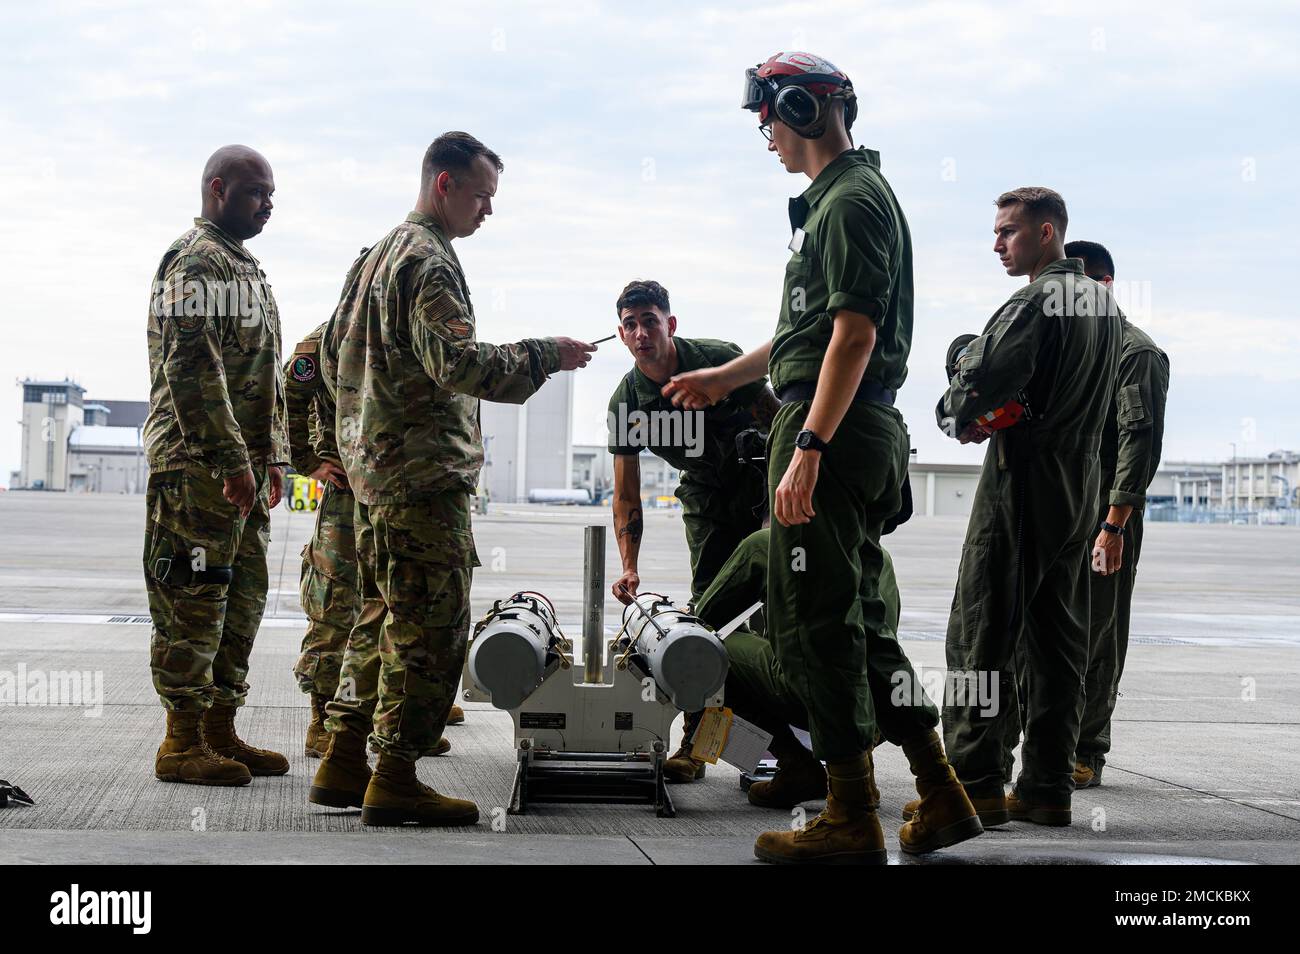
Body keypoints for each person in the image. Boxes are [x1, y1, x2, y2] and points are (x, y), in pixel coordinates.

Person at [667, 52, 973, 864]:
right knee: (864, 626)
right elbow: (817, 329)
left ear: (801, 109)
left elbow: (854, 336)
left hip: (832, 433)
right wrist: (728, 374)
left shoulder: (848, 202)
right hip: (846, 427)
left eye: (767, 117)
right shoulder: (843, 201)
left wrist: (807, 445)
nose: (764, 134)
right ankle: (940, 791)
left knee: (815, 628)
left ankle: (849, 816)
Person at [308, 132, 596, 826]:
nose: (486, 212)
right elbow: (459, 365)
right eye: (481, 196)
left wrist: (356, 442)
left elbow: (326, 358)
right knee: (430, 633)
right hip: (421, 478)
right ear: (445, 184)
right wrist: (543, 355)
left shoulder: (373, 258)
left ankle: (346, 758)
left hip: (376, 477)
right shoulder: (429, 261)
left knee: (380, 620)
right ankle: (397, 775)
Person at [936, 188, 1123, 827]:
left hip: (1023, 479)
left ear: (1047, 233)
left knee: (981, 633)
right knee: (1058, 643)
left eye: (1008, 233)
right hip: (1081, 485)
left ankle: (973, 783)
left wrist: (953, 400)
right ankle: (1046, 787)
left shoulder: (1035, 300)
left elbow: (974, 390)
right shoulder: (1105, 304)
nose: (997, 244)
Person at [997, 241, 1169, 789]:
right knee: (1042, 632)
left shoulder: (1135, 353)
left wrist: (1115, 524)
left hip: (1105, 511)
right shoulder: (1070, 344)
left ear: (1104, 286)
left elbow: (1139, 443)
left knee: (1096, 631)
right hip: (1061, 500)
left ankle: (1086, 750)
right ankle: (1040, 746)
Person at [144, 144, 290, 786]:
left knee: (241, 601)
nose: (267, 206)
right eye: (257, 193)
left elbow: (264, 376)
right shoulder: (195, 260)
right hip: (198, 470)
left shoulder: (245, 266)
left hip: (245, 476)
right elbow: (192, 367)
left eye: (272, 196)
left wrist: (274, 458)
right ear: (217, 187)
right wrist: (231, 460)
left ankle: (218, 730)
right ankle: (180, 742)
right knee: (194, 602)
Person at [606, 278, 777, 783]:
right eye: (631, 325)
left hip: (763, 491)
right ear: (621, 334)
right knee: (710, 619)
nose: (641, 333)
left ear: (670, 324)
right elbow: (625, 493)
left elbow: (778, 423)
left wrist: (774, 508)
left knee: (776, 618)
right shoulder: (628, 405)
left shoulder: (719, 361)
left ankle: (781, 752)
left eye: (650, 321)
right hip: (705, 501)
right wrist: (629, 565)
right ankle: (699, 744)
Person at [284, 323, 471, 760]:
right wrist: (307, 461)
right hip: (347, 491)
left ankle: (392, 716)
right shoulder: (326, 337)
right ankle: (324, 721)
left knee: (393, 602)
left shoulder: (404, 332)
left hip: (394, 488)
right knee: (335, 603)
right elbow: (290, 392)